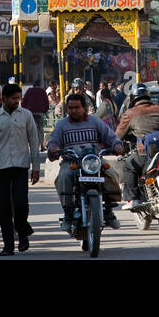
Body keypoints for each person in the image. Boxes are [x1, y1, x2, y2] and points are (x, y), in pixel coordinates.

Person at [48, 92, 123, 235]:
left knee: (112, 174)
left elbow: (110, 136)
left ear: (84, 108)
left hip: (94, 161)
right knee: (63, 177)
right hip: (72, 163)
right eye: (70, 108)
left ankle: (109, 210)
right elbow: (53, 141)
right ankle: (68, 214)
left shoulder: (95, 122)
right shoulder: (61, 125)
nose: (73, 111)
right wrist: (53, 148)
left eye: (77, 107)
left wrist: (117, 145)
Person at [0, 82, 41, 256]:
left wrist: (36, 167)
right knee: (4, 207)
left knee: (21, 202)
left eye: (19, 98)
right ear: (5, 98)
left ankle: (22, 231)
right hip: (1, 167)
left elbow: (34, 142)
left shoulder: (26, 115)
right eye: (14, 98)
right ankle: (8, 246)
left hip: (21, 166)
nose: (17, 101)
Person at [114, 83, 159, 210]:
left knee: (128, 166)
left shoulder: (130, 113)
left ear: (133, 98)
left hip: (145, 154)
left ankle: (133, 199)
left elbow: (118, 136)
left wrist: (113, 144)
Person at [20, 81, 49, 152]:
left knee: (31, 130)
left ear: (33, 85)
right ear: (39, 85)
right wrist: (45, 110)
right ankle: (42, 145)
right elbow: (46, 102)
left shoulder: (29, 90)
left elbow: (24, 102)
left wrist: (25, 110)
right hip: (40, 112)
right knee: (40, 129)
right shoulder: (43, 91)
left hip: (30, 113)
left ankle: (32, 146)